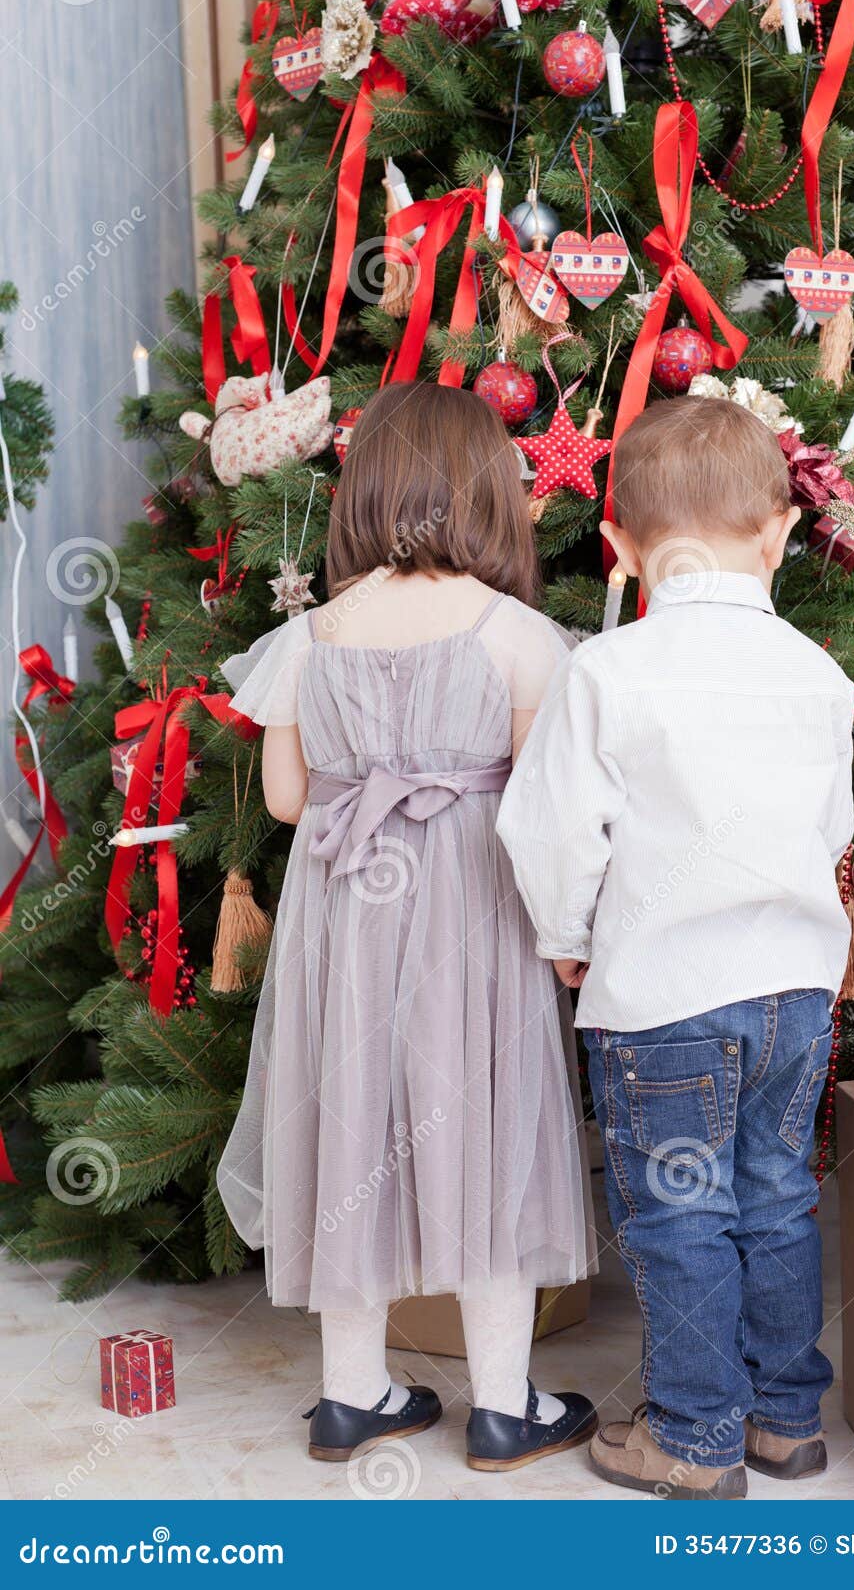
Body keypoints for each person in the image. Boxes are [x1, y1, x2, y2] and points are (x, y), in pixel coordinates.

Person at [217, 382, 596, 1472]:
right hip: (473, 913)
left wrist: (372, 782)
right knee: (490, 1126)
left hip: (347, 914)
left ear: (364, 495)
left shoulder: (307, 636)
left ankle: (351, 1396)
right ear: (487, 495)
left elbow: (287, 802)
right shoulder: (519, 635)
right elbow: (541, 800)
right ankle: (504, 1407)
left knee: (348, 1125)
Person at [498, 394, 854, 1499]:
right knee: (776, 1195)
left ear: (617, 545)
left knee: (680, 1210)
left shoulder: (608, 670)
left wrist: (566, 938)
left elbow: (549, 830)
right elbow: (830, 833)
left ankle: (695, 1439)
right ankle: (784, 1421)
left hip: (664, 996)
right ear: (780, 534)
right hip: (794, 992)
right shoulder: (816, 673)